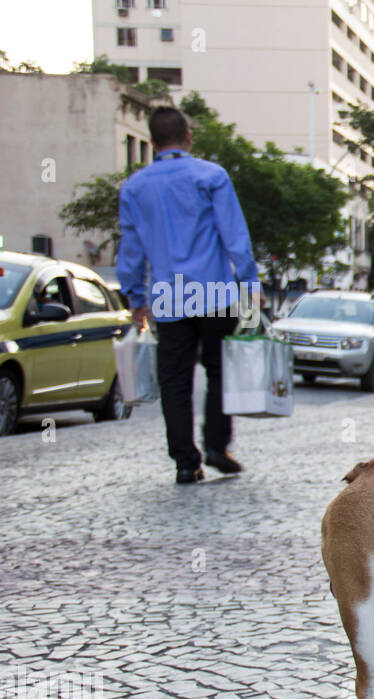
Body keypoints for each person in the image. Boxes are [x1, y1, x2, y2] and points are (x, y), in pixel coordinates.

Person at [117, 105, 262, 484]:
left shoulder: (134, 188)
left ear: (152, 143)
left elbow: (131, 249)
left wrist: (135, 299)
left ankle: (185, 460)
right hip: (214, 291)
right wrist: (249, 284)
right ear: (188, 137)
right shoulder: (211, 176)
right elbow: (234, 236)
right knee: (219, 371)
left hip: (168, 297)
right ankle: (216, 444)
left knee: (175, 381)